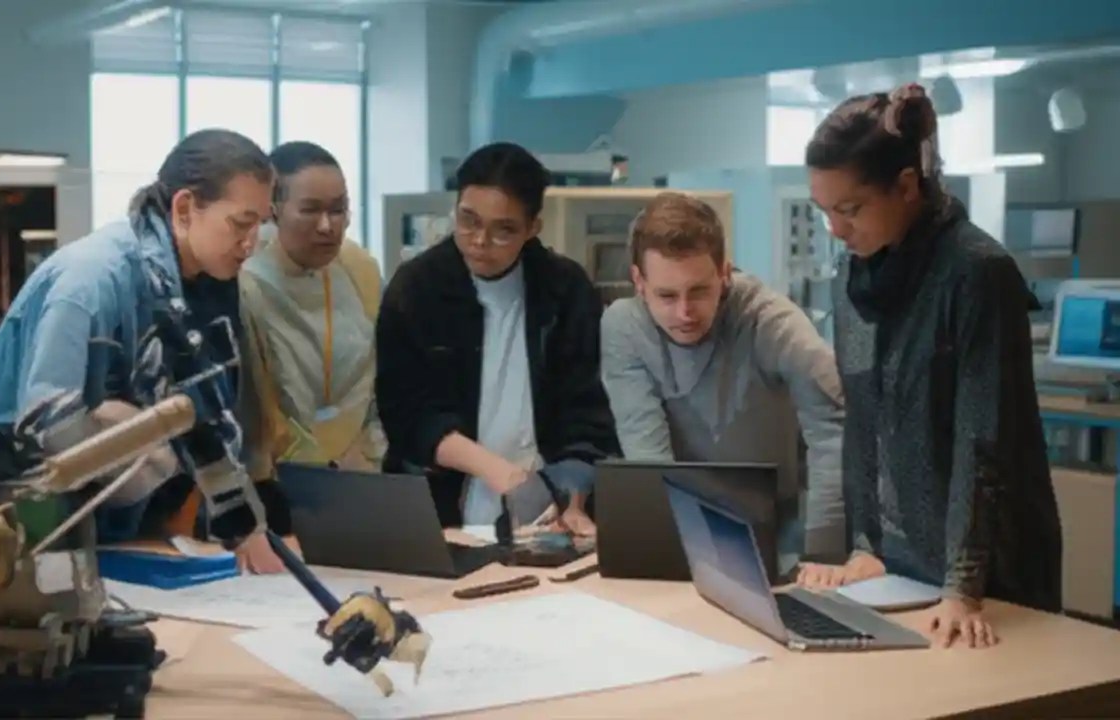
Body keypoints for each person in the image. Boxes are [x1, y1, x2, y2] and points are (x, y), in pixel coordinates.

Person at [797, 83, 1063, 648]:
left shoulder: (976, 273)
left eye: (850, 210)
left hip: (989, 574)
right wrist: (866, 547)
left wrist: (963, 586)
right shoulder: (856, 277)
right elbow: (863, 424)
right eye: (824, 211)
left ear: (907, 187)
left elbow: (981, 439)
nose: (836, 231)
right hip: (899, 573)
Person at [0, 128, 281, 568]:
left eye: (261, 224)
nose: (252, 242)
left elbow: (204, 421)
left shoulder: (202, 290)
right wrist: (152, 443)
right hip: (9, 533)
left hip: (107, 532)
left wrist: (247, 530)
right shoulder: (90, 279)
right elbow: (48, 426)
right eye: (241, 223)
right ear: (184, 209)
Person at [376, 142, 619, 534]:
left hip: (546, 512)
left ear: (532, 228)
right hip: (438, 508)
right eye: (468, 220)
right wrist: (499, 473)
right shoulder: (417, 288)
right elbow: (407, 415)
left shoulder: (564, 289)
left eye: (503, 230)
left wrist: (570, 497)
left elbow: (586, 416)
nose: (479, 241)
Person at [600, 192, 846, 562]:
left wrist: (825, 556)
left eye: (699, 291)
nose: (685, 312)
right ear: (638, 281)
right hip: (688, 523)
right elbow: (648, 458)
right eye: (666, 295)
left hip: (782, 528)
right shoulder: (624, 327)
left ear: (724, 273)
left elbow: (831, 431)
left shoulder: (769, 320)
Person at [231, 141, 383, 535]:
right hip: (276, 484)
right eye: (311, 209)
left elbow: (381, 375)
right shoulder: (245, 281)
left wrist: (367, 452)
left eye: (339, 209)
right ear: (274, 208)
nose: (327, 225)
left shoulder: (359, 268)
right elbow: (255, 403)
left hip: (359, 471)